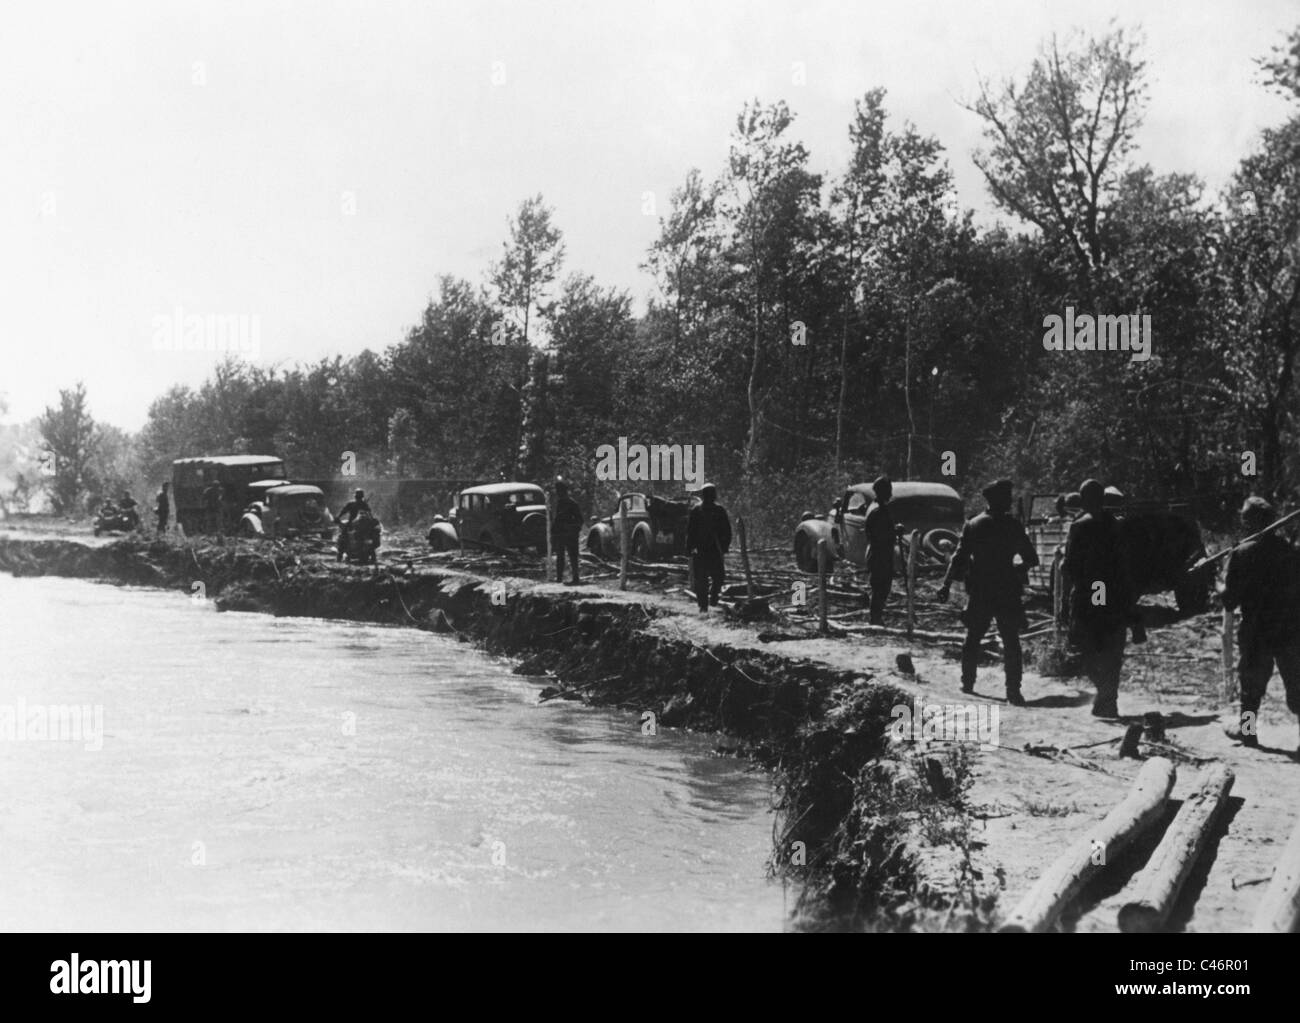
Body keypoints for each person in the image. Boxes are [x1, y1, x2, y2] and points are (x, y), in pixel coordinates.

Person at [938, 479, 1039, 705]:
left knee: (973, 637)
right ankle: (1013, 692)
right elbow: (1032, 559)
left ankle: (967, 682)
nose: (1010, 501)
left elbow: (959, 558)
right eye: (1007, 497)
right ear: (999, 499)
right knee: (1011, 641)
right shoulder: (1013, 525)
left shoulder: (974, 525)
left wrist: (945, 585)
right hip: (1007, 590)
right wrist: (1015, 569)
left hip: (981, 589)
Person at [1221, 497, 1300, 750]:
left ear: (1249, 522)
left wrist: (1219, 586)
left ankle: (1248, 733)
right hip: (1288, 630)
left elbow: (1230, 601)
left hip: (1257, 631)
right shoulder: (1290, 553)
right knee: (1297, 683)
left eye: (1245, 518)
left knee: (1250, 687)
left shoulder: (1241, 554)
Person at [1061, 478, 1136, 718]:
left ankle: (1104, 695)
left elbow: (1070, 565)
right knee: (1112, 648)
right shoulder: (1117, 525)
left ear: (1083, 500)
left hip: (1091, 593)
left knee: (1085, 644)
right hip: (1112, 594)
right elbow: (1125, 563)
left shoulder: (1079, 526)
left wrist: (1067, 597)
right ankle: (1108, 699)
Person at [686, 483, 732, 614]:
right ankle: (703, 606)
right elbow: (691, 531)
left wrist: (724, 546)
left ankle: (713, 598)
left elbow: (727, 531)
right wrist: (689, 547)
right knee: (701, 579)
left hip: (714, 550)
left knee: (719, 577)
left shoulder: (719, 511)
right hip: (701, 550)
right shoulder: (696, 510)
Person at [864, 475, 899, 624]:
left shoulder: (880, 508)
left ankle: (877, 617)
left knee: (882, 589)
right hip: (879, 556)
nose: (890, 493)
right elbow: (879, 536)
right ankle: (875, 619)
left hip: (882, 555)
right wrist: (895, 532)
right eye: (888, 490)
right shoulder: (878, 510)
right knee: (880, 588)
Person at [551, 480, 583, 585]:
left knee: (572, 556)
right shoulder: (560, 503)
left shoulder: (571, 503)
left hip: (569, 534)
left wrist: (571, 529)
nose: (558, 493)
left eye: (559, 491)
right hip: (561, 533)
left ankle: (575, 577)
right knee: (560, 556)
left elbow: (579, 520)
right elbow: (557, 519)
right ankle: (559, 577)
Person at [335, 489, 372, 561]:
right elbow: (370, 514)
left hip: (353, 524)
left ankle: (340, 555)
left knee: (343, 536)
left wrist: (338, 517)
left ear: (355, 496)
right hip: (358, 524)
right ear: (362, 497)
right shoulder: (363, 504)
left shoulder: (352, 503)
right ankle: (340, 554)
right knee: (344, 536)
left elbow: (343, 511)